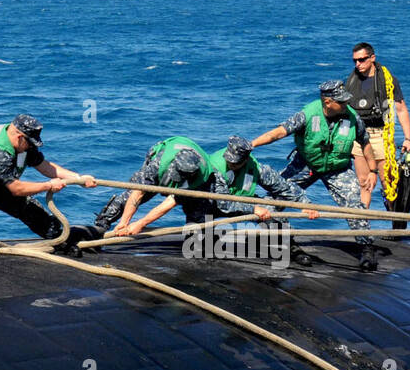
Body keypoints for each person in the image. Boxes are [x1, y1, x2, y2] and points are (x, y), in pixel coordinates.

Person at [251, 81, 381, 271]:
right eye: (341, 102)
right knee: (272, 201)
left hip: (337, 168)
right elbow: (279, 132)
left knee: (354, 203)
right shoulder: (307, 115)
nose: (346, 105)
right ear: (328, 102)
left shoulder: (353, 118)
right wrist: (253, 144)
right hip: (306, 164)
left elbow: (366, 143)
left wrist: (373, 171)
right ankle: (286, 243)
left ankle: (366, 247)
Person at [0, 114, 97, 239]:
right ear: (20, 137)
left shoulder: (24, 145)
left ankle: (58, 240)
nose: (32, 147)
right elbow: (17, 189)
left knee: (33, 212)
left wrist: (78, 178)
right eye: (30, 143)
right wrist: (48, 186)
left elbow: (45, 166)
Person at [208, 136, 321, 266]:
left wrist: (305, 204)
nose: (231, 164)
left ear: (246, 159)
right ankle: (206, 239)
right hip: (213, 204)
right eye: (229, 160)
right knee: (199, 220)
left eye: (236, 162)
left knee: (271, 210)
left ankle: (289, 245)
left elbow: (282, 186)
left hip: (243, 201)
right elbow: (223, 203)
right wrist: (253, 209)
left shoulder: (256, 167)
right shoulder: (215, 168)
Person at [93, 136, 225, 236]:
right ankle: (101, 225)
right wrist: (124, 223)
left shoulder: (199, 176)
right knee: (128, 197)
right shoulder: (158, 164)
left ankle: (198, 237)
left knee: (196, 206)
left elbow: (170, 202)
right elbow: (138, 193)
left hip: (197, 181)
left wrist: (140, 224)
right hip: (163, 157)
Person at [345, 42, 410, 208]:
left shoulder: (388, 80)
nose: (358, 64)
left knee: (387, 182)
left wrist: (408, 139)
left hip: (381, 136)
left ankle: (395, 227)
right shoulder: (351, 81)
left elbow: (401, 109)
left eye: (361, 60)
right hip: (358, 136)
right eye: (355, 60)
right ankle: (362, 227)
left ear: (372, 58)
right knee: (363, 182)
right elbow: (345, 114)